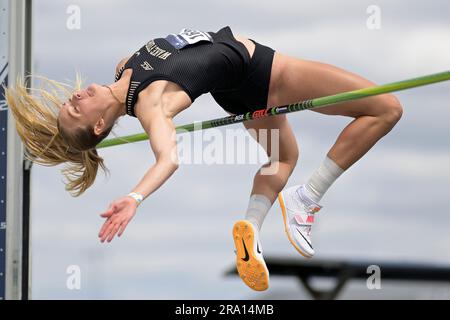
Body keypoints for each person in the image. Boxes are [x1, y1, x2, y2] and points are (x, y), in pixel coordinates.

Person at [5, 26, 403, 292]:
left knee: (284, 157)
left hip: (234, 90)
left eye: (68, 102)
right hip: (264, 73)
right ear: (97, 128)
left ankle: (252, 226)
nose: (74, 99)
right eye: (76, 111)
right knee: (385, 108)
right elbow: (168, 160)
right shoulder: (150, 105)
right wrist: (134, 198)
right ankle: (307, 197)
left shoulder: (124, 67)